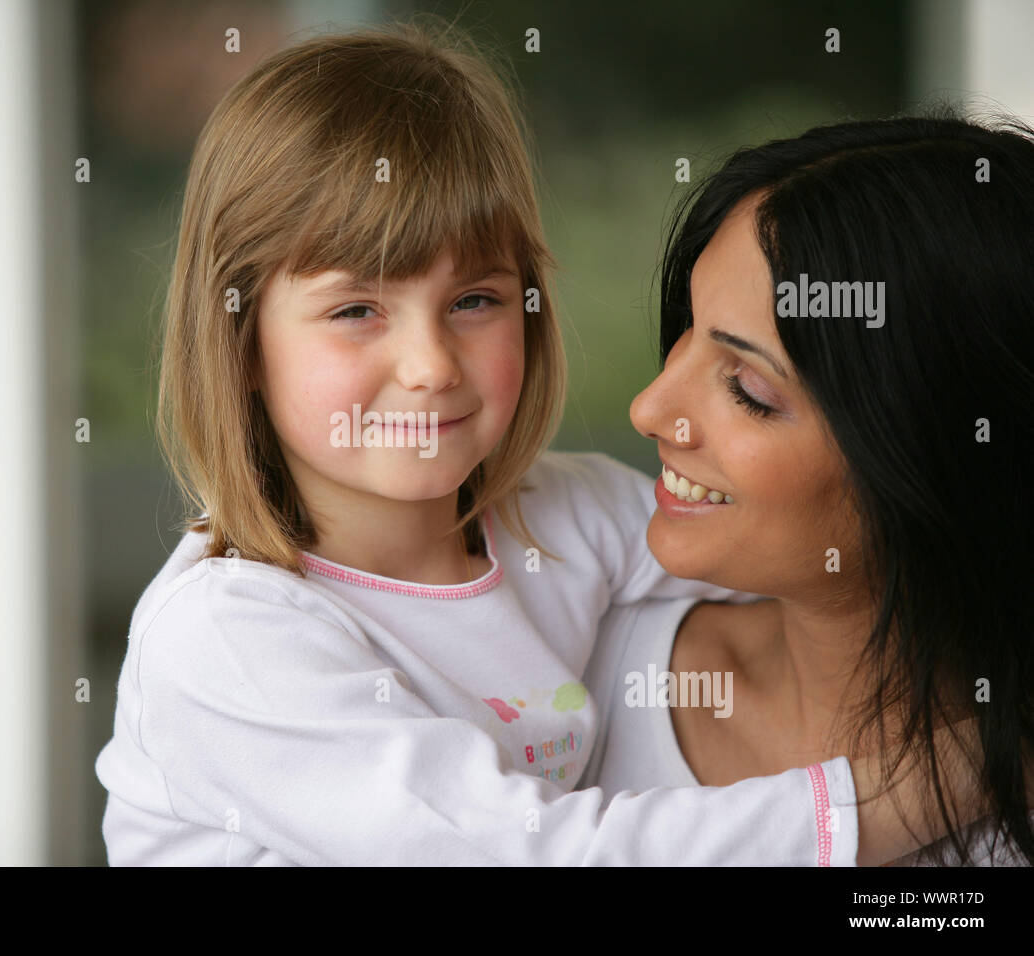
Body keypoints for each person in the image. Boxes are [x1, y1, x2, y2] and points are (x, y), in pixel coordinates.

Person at [94, 20, 980, 866]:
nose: (431, 365)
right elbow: (536, 854)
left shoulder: (564, 516)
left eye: (474, 301)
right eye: (356, 310)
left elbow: (820, 551)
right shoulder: (223, 639)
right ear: (240, 345)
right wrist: (941, 784)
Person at [607, 113, 1034, 865]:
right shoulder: (571, 666)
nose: (649, 408)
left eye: (747, 388)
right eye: (688, 329)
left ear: (934, 451)